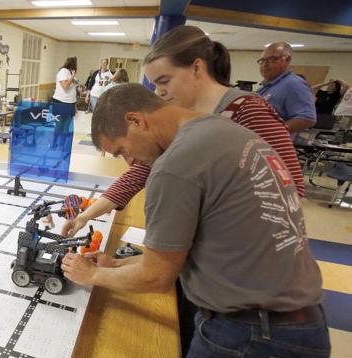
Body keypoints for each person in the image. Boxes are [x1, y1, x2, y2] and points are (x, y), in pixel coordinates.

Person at [64, 83, 333, 358]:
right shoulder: (224, 133)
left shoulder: (176, 164)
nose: (128, 162)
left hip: (252, 336)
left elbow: (156, 278)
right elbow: (181, 255)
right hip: (296, 323)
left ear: (136, 120)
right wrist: (116, 263)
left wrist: (92, 276)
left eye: (120, 150)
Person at [64, 26, 305, 239]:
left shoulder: (248, 109)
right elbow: (143, 169)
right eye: (156, 85)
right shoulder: (181, 115)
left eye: (165, 81)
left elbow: (291, 186)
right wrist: (87, 215)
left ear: (197, 67)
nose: (160, 93)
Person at [256, 42, 316, 134]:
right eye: (262, 60)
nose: (265, 64)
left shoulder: (294, 84)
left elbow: (307, 118)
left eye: (272, 59)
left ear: (287, 60)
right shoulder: (265, 86)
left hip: (272, 145)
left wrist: (271, 134)